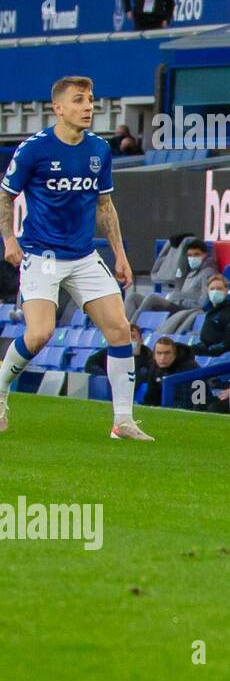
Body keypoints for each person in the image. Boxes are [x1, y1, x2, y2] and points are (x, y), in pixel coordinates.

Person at [0, 75, 152, 439]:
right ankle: (2, 390)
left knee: (118, 330)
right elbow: (5, 196)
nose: (89, 107)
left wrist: (120, 254)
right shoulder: (34, 149)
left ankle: (123, 421)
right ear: (58, 108)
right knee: (39, 334)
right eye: (80, 100)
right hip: (42, 255)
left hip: (84, 255)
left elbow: (105, 205)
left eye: (91, 100)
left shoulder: (99, 150)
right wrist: (8, 239)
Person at [152, 239, 219, 335]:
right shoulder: (191, 273)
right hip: (179, 306)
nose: (192, 258)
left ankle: (129, 330)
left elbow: (203, 301)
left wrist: (180, 299)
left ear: (205, 254)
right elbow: (184, 292)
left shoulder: (208, 272)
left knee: (152, 299)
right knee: (135, 297)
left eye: (196, 254)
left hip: (187, 309)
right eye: (190, 255)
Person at [193, 273, 230, 357]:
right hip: (206, 353)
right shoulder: (211, 311)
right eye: (212, 289)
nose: (215, 292)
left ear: (226, 290)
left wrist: (205, 351)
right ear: (208, 291)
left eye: (219, 289)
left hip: (220, 358)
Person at [141, 335, 197, 408]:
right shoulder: (154, 368)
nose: (162, 358)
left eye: (167, 353)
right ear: (154, 356)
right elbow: (151, 397)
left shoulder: (190, 368)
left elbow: (199, 400)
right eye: (159, 353)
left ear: (174, 355)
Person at [85, 323, 151, 379]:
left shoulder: (149, 356)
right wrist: (106, 377)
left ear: (141, 340)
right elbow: (90, 364)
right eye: (126, 338)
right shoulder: (113, 350)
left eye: (133, 337)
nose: (129, 341)